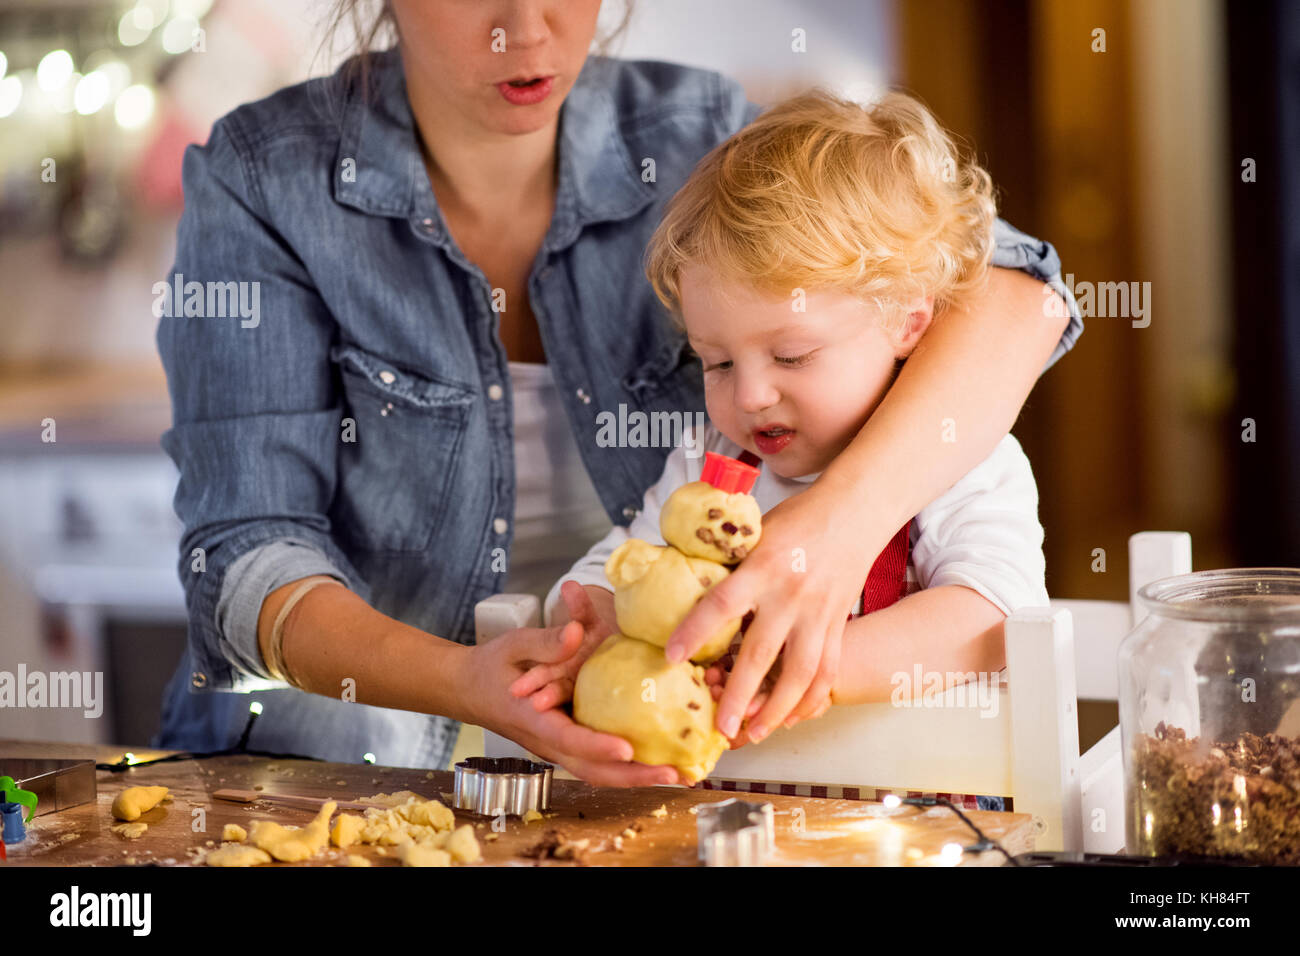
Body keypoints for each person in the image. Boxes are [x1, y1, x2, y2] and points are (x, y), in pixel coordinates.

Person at [154, 0, 1082, 788]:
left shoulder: (708, 141)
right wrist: (488, 671)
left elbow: (1014, 287)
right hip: (344, 763)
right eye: (717, 362)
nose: (529, 28)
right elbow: (245, 556)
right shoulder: (264, 177)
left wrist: (837, 526)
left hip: (680, 774)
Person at [526, 90, 1047, 810]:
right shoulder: (708, 462)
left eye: (793, 356)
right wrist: (599, 622)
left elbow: (989, 617)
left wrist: (804, 668)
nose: (751, 398)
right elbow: (622, 562)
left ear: (906, 321)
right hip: (744, 815)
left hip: (925, 816)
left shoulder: (960, 457)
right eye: (717, 363)